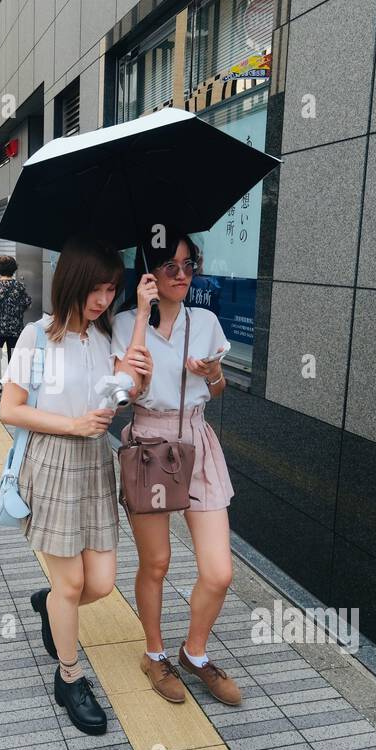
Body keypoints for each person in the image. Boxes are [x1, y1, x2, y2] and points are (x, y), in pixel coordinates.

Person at [0, 236, 154, 736]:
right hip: (52, 462)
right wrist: (74, 426)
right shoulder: (37, 336)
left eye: (112, 289)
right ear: (73, 281)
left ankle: (49, 605)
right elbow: (10, 409)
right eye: (97, 288)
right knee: (71, 583)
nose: (104, 299)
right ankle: (70, 676)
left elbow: (123, 388)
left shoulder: (105, 337)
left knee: (101, 582)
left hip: (93, 466)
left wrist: (144, 317)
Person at [110, 230, 242, 708]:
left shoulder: (205, 321)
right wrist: (143, 315)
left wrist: (213, 376)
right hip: (149, 442)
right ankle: (154, 653)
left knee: (219, 571)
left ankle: (195, 653)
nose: (183, 274)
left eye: (190, 264)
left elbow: (219, 388)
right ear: (149, 270)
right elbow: (121, 395)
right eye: (171, 266)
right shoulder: (124, 322)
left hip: (198, 440)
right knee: (158, 562)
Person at [0, 255, 31, 398]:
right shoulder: (19, 286)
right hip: (15, 327)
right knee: (13, 356)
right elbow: (28, 303)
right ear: (14, 269)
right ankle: (12, 384)